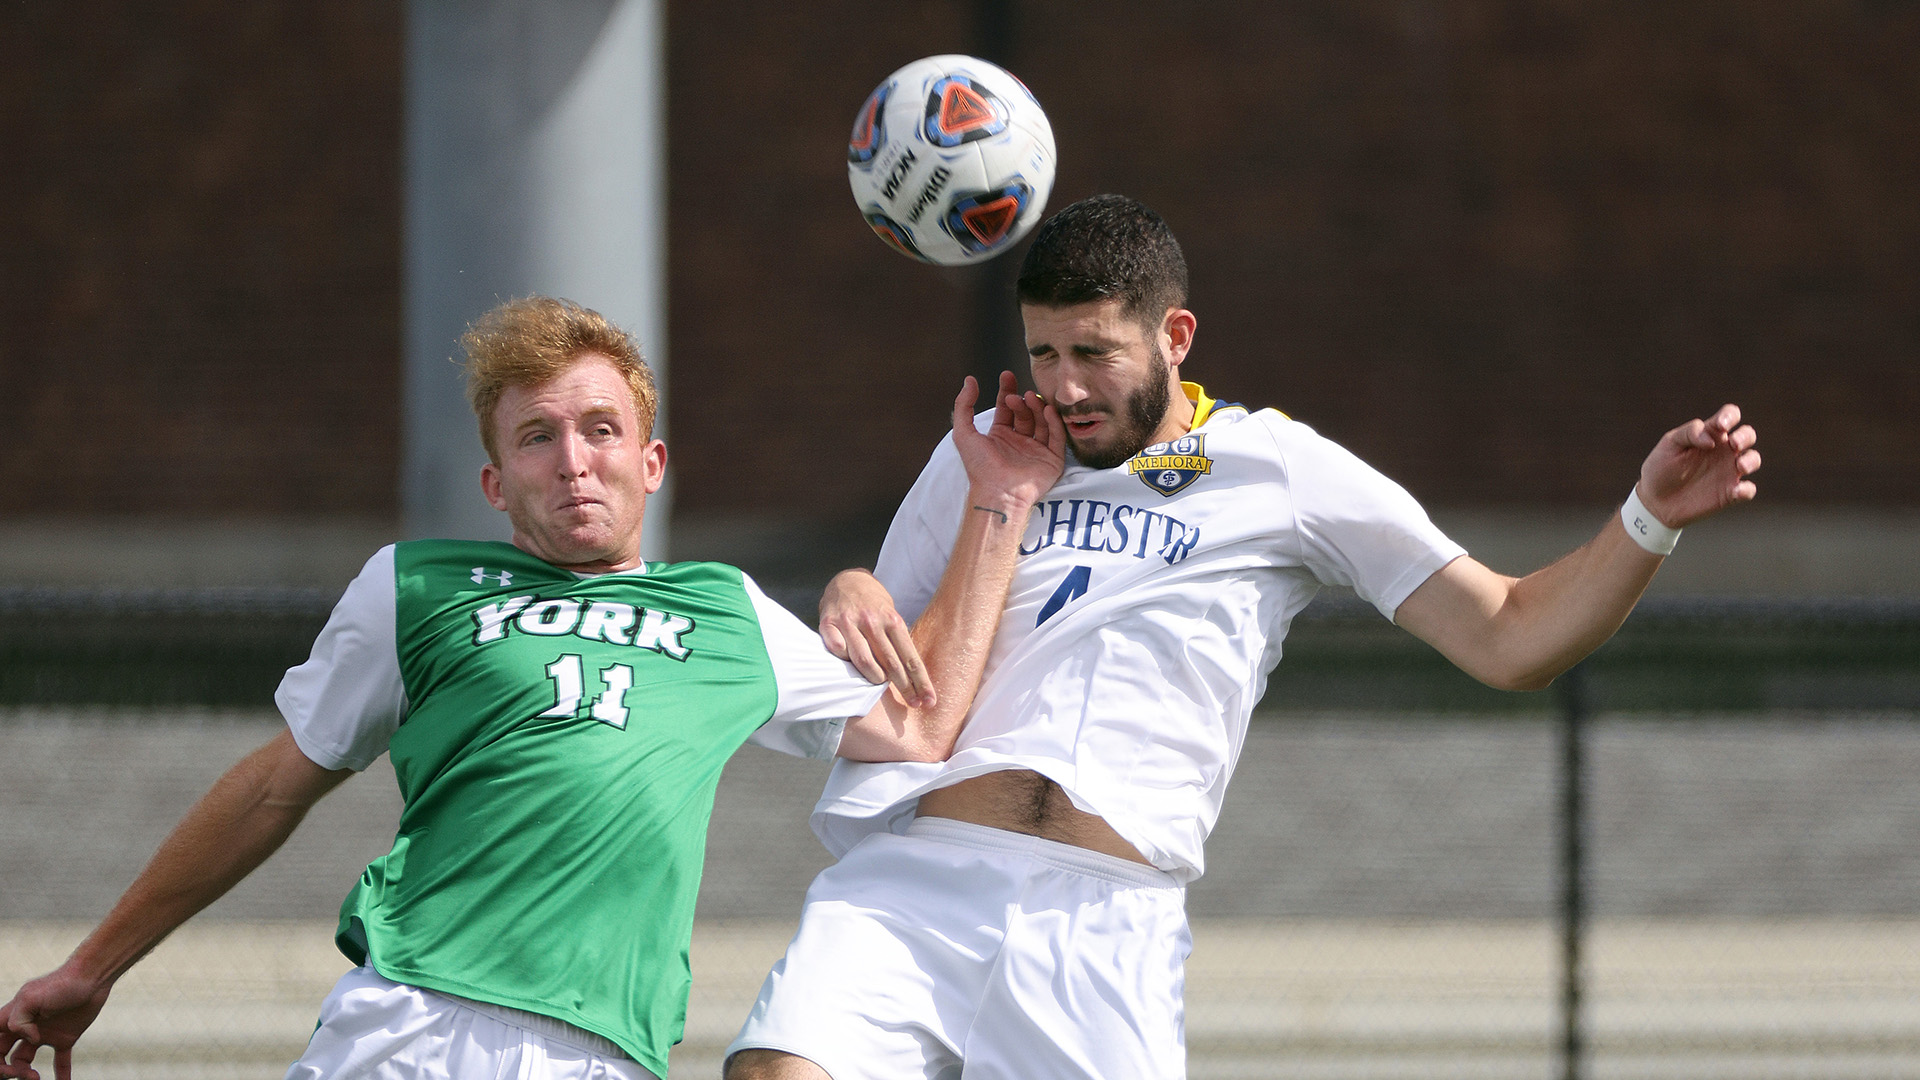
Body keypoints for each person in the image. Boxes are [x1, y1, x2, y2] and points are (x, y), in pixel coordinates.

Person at [724, 195, 1762, 1080]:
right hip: (922, 873)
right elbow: (899, 666)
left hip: (1106, 918)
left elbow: (1510, 636)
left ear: (1175, 338)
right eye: (1043, 352)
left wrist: (1648, 517)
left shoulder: (1281, 468)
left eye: (1095, 353)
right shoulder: (981, 459)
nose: (1066, 387)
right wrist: (852, 586)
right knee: (778, 1065)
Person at [0, 296, 1067, 1080]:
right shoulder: (412, 585)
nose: (572, 461)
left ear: (651, 463)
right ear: (494, 483)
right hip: (408, 1023)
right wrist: (93, 966)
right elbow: (274, 787)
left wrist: (1000, 502)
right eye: (536, 437)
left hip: (604, 1050)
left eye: (600, 430)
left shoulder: (725, 609)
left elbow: (921, 723)